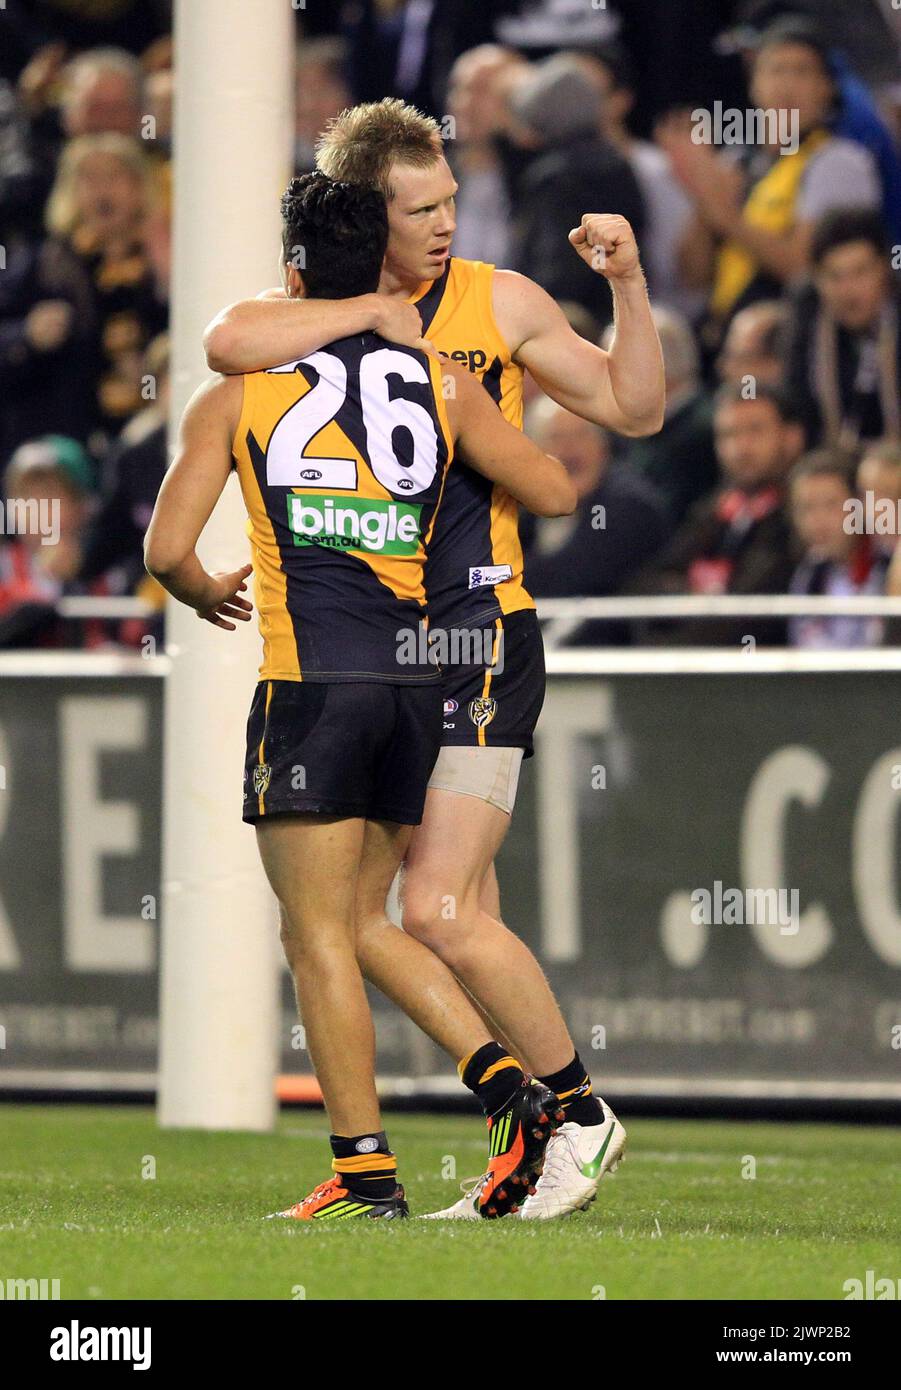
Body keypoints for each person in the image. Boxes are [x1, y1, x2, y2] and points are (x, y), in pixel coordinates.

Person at [203, 97, 661, 1221]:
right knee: (414, 911)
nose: (448, 222)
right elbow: (228, 342)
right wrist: (369, 314)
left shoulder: (498, 304)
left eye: (453, 198)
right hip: (400, 656)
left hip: (480, 632)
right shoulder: (321, 318)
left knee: (436, 910)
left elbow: (632, 408)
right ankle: (524, 1155)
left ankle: (576, 1113)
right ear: (369, 216)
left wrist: (631, 287)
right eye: (421, 208)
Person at [145, 172, 579, 1223]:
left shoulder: (241, 393)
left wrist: (206, 591)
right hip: (419, 685)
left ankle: (369, 1171)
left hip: (310, 680)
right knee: (366, 917)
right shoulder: (439, 383)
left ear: (296, 280)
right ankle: (517, 1095)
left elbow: (166, 550)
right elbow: (558, 490)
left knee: (316, 936)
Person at [629, 384, 806, 646]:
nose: (740, 448)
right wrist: (698, 597)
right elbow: (645, 585)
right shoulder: (712, 510)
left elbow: (748, 612)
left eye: (755, 431)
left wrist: (692, 601)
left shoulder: (800, 512)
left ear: (791, 437)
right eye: (728, 435)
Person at [785, 208, 900, 450]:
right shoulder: (807, 318)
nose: (848, 292)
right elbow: (799, 407)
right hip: (832, 466)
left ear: (884, 270)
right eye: (835, 277)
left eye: (861, 272)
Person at [788, 449, 889, 648]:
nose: (817, 521)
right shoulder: (808, 574)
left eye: (831, 505)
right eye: (806, 508)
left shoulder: (889, 567)